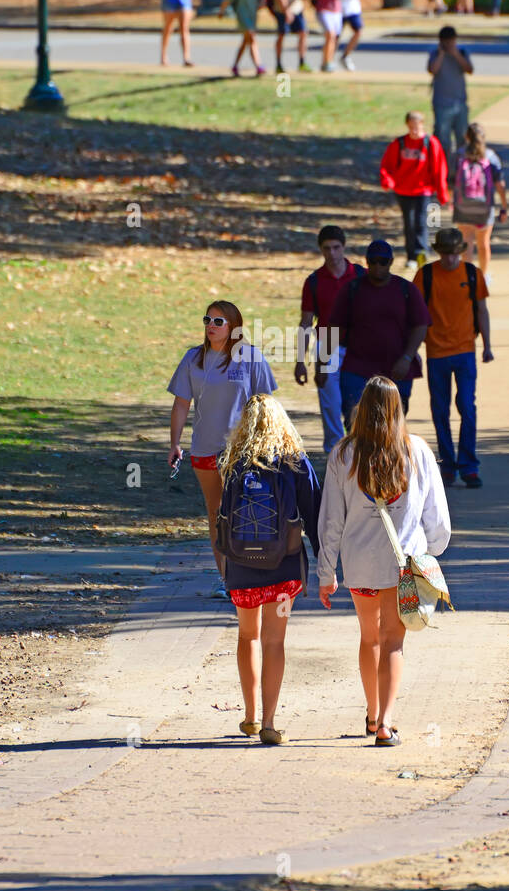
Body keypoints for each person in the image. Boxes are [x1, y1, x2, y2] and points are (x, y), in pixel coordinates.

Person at [317, 375, 451, 745]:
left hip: (358, 563)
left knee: (369, 638)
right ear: (398, 410)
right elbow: (436, 517)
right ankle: (386, 724)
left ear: (362, 408)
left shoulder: (344, 454)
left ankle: (372, 712)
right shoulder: (417, 452)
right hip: (403, 565)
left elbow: (331, 519)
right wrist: (433, 550)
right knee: (394, 641)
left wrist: (326, 570)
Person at [217, 394, 321, 745]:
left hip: (242, 570)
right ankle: (269, 722)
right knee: (275, 641)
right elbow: (314, 514)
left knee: (248, 636)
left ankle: (248, 716)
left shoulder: (232, 463)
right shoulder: (296, 463)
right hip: (284, 570)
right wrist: (326, 560)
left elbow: (223, 520)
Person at [167, 301, 277, 597]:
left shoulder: (251, 358)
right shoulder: (194, 359)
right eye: (208, 320)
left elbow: (267, 406)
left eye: (219, 321)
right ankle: (229, 581)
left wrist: (267, 444)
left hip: (243, 453)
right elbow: (181, 403)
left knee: (242, 514)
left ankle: (248, 576)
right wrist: (175, 443)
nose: (211, 326)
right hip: (204, 450)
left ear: (234, 327)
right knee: (217, 515)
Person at [413, 228, 493, 489]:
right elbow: (415, 314)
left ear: (462, 252)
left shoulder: (472, 274)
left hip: (465, 350)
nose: (450, 259)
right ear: (439, 253)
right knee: (440, 410)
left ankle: (469, 466)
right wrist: (412, 347)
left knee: (467, 407)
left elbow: (482, 310)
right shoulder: (425, 276)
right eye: (445, 254)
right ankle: (448, 465)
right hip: (436, 352)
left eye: (454, 254)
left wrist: (487, 345)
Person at [328, 239, 429, 428]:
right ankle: (357, 457)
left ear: (390, 262)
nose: (377, 266)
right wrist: (323, 364)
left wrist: (407, 358)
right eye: (373, 261)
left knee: (393, 426)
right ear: (367, 262)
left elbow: (421, 325)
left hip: (397, 369)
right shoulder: (352, 289)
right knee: (355, 422)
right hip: (357, 368)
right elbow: (335, 327)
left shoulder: (406, 290)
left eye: (382, 261)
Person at [295, 225, 364, 455]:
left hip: (357, 346)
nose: (332, 253)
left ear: (344, 247)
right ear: (321, 250)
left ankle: (360, 455)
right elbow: (306, 322)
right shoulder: (314, 281)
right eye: (327, 249)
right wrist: (300, 360)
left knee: (357, 405)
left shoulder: (360, 275)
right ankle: (336, 459)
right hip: (327, 345)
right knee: (330, 407)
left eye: (336, 248)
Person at [379, 111, 449, 274]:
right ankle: (411, 257)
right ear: (407, 125)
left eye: (417, 126)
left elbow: (440, 168)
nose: (414, 130)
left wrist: (442, 192)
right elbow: (387, 165)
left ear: (422, 125)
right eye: (411, 127)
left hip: (423, 190)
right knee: (408, 224)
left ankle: (421, 255)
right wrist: (388, 180)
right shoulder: (399, 143)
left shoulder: (431, 143)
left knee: (421, 223)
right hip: (403, 190)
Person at [451, 122, 508, 277]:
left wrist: (452, 200)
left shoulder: (459, 155)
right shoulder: (490, 156)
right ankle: (483, 276)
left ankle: (468, 277)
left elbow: (451, 180)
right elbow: (500, 184)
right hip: (485, 207)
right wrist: (504, 206)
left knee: (466, 243)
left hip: (463, 207)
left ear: (466, 137)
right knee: (484, 244)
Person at [428, 25, 474, 168]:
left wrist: (456, 54)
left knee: (462, 138)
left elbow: (469, 69)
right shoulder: (435, 54)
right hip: (442, 104)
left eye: (451, 41)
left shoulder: (461, 52)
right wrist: (442, 54)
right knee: (443, 140)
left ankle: (461, 169)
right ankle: (444, 170)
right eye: (445, 42)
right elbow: (432, 70)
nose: (448, 45)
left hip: (459, 103)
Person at [219, 0, 267, 78]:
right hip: (242, 15)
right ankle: (258, 65)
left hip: (253, 15)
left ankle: (235, 65)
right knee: (251, 38)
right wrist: (222, 11)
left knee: (246, 41)